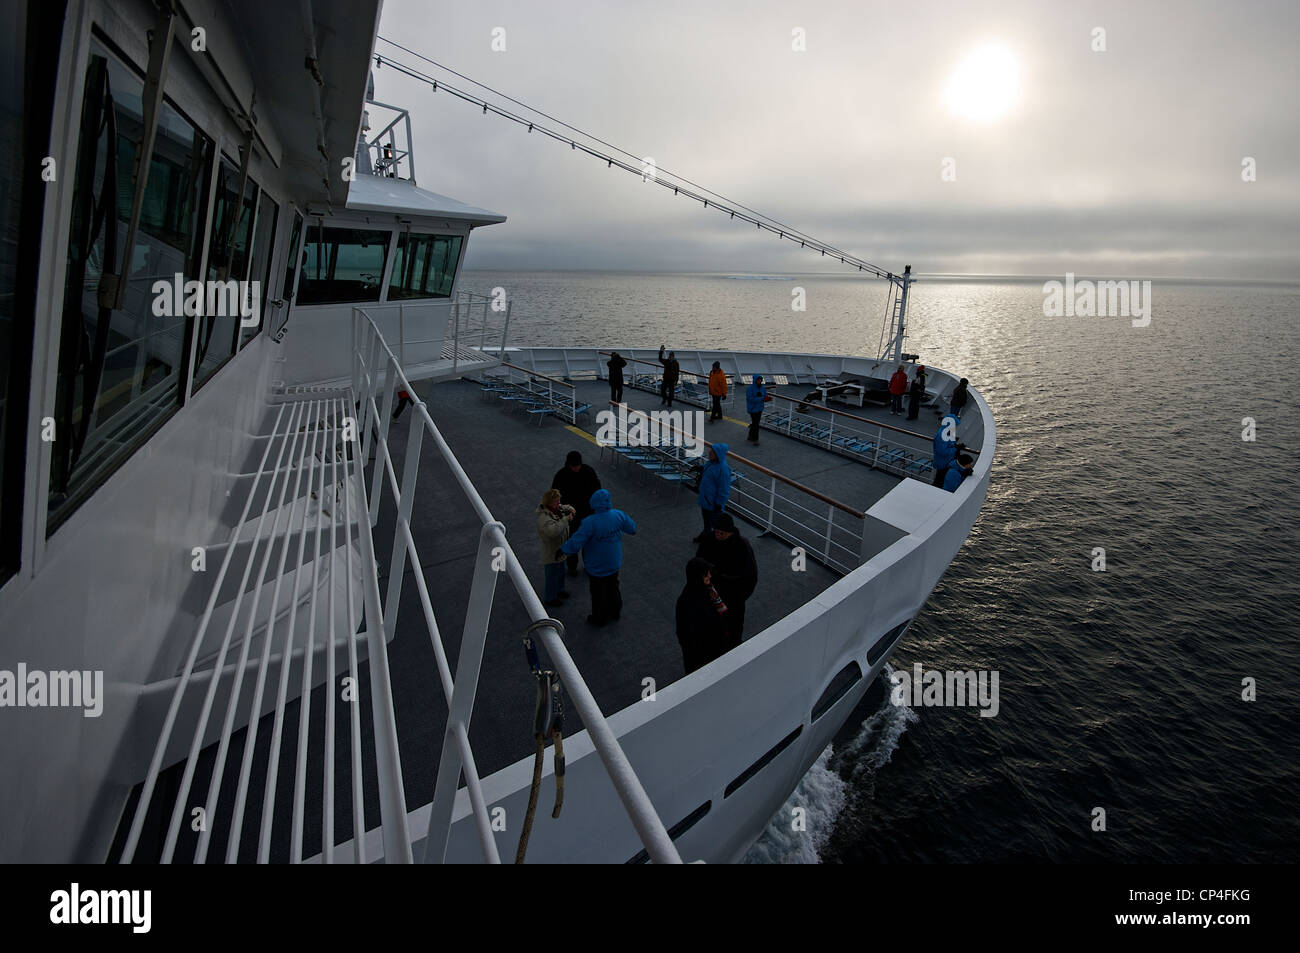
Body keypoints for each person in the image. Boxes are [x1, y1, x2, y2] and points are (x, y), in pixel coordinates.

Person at [561, 489, 637, 626]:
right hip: (613, 562)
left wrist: (563, 550)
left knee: (598, 593)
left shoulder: (590, 522)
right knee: (613, 587)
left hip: (597, 566)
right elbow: (632, 529)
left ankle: (599, 618)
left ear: (594, 503)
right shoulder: (618, 515)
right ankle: (615, 612)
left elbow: (576, 542)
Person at [694, 512, 757, 647]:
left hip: (734, 595)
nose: (718, 535)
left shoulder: (742, 546)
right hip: (713, 591)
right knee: (713, 621)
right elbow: (698, 562)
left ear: (730, 532)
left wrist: (740, 595)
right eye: (717, 532)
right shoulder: (709, 540)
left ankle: (734, 645)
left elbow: (749, 575)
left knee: (734, 622)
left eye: (722, 533)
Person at [675, 557, 729, 675]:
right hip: (703, 656)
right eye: (706, 574)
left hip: (714, 648)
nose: (709, 575)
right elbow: (686, 636)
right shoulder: (687, 603)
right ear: (698, 577)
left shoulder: (707, 590)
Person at [551, 451, 601, 575]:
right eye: (574, 466)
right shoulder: (586, 472)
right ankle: (572, 566)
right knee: (574, 541)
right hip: (571, 515)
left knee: (586, 542)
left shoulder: (562, 474)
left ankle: (585, 565)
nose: (576, 468)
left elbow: (597, 491)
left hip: (586, 514)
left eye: (577, 465)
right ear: (569, 464)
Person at [535, 489, 574, 607]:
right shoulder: (544, 519)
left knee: (560, 571)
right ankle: (550, 598)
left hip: (559, 549)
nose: (559, 504)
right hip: (551, 552)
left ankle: (560, 590)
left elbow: (563, 507)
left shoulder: (555, 509)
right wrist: (566, 519)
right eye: (557, 502)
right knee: (552, 575)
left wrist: (569, 508)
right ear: (550, 503)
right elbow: (553, 532)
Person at [695, 443, 731, 541]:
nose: (709, 452)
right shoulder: (711, 463)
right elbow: (707, 468)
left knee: (715, 526)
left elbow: (724, 489)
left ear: (718, 454)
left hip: (713, 503)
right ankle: (705, 534)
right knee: (707, 521)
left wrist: (719, 504)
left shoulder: (723, 469)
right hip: (706, 499)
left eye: (712, 451)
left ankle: (712, 543)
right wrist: (700, 468)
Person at [931, 413, 968, 488]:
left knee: (940, 480)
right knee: (939, 481)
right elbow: (942, 451)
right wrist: (956, 448)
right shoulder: (942, 435)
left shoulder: (946, 433)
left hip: (945, 462)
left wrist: (954, 445)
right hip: (943, 463)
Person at [745, 374, 772, 444]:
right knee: (756, 424)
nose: (759, 381)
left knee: (755, 423)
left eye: (760, 380)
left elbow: (765, 395)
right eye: (758, 380)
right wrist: (762, 398)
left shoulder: (762, 388)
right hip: (753, 409)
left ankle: (750, 436)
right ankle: (756, 439)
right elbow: (750, 399)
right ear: (755, 380)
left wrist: (767, 398)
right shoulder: (750, 389)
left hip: (759, 408)